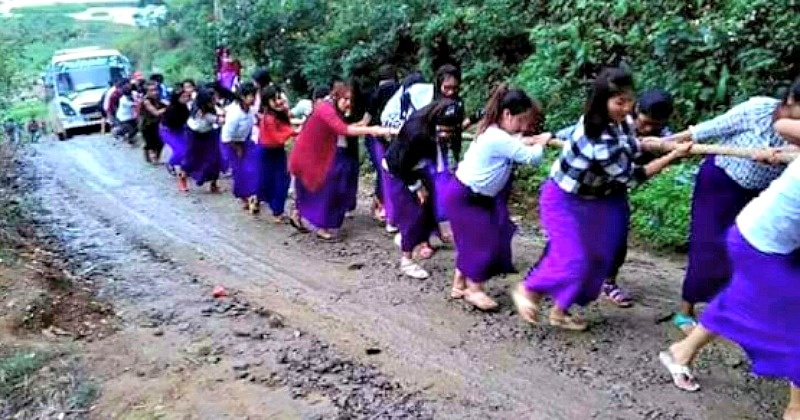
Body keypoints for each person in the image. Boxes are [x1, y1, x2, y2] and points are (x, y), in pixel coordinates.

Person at [513, 67, 692, 331]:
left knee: (599, 257)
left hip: (597, 199)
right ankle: (529, 290)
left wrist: (663, 143)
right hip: (563, 199)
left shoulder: (620, 122)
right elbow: (632, 178)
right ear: (602, 101)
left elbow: (632, 143)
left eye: (630, 100)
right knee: (572, 257)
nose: (626, 107)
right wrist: (671, 157)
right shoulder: (598, 137)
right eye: (620, 102)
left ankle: (560, 310)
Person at [658, 117, 800, 420]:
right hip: (758, 240)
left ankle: (681, 352)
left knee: (741, 297)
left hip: (768, 239)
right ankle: (796, 409)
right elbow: (784, 124)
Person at [658, 79, 800, 334]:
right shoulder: (758, 110)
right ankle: (686, 309)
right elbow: (708, 129)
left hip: (760, 195)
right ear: (791, 100)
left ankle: (721, 314)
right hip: (720, 184)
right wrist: (667, 143)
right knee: (707, 245)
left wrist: (777, 154)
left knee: (739, 253)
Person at [554, 88, 676, 308]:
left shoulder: (665, 136)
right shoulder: (615, 122)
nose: (647, 129)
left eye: (654, 126)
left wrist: (670, 150)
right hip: (590, 189)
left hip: (616, 188)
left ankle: (608, 282)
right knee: (570, 233)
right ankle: (548, 275)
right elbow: (575, 132)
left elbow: (639, 171)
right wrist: (552, 137)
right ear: (636, 110)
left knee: (617, 237)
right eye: (644, 122)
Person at [444, 84, 550, 309]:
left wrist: (526, 139)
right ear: (507, 114)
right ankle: (475, 289)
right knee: (483, 242)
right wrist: (541, 142)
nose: (523, 127)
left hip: (475, 197)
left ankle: (459, 284)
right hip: (465, 196)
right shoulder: (496, 137)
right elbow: (532, 158)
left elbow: (517, 142)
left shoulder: (499, 133)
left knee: (475, 238)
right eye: (521, 121)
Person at [288, 82, 394, 239]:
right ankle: (322, 226)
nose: (348, 104)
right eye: (345, 99)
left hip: (322, 154)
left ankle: (301, 213)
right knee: (328, 189)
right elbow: (342, 129)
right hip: (312, 156)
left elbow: (342, 126)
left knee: (330, 187)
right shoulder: (325, 108)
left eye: (350, 100)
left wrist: (363, 125)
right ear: (336, 96)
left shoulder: (332, 108)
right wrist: (372, 129)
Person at [384, 99, 461, 279]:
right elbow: (399, 165)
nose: (445, 134)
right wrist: (416, 186)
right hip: (400, 172)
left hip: (419, 168)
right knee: (413, 213)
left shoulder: (433, 131)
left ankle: (412, 239)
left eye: (449, 131)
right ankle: (407, 260)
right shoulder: (416, 131)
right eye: (442, 130)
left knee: (428, 207)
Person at [364, 65, 399, 223]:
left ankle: (381, 207)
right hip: (395, 137)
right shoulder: (401, 91)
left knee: (382, 170)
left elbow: (365, 121)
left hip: (375, 137)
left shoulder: (375, 93)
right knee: (391, 171)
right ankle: (385, 207)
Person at [258, 84, 297, 222]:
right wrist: (295, 132)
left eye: (280, 97)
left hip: (278, 151)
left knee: (283, 179)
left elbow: (286, 128)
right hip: (266, 152)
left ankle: (277, 210)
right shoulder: (268, 118)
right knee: (267, 181)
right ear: (267, 102)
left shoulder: (280, 113)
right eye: (275, 99)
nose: (279, 101)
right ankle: (267, 203)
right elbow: (277, 136)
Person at [222, 82, 260, 212]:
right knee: (240, 171)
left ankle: (253, 195)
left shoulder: (251, 110)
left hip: (246, 141)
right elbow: (226, 136)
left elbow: (256, 119)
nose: (253, 99)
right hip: (233, 144)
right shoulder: (234, 114)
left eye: (254, 95)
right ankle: (244, 197)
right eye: (251, 96)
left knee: (253, 168)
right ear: (242, 97)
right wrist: (236, 148)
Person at [183, 88, 224, 193]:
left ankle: (213, 184)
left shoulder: (212, 107)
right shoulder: (200, 111)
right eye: (212, 100)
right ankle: (182, 176)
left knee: (215, 158)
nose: (214, 101)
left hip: (208, 133)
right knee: (192, 158)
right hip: (194, 134)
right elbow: (219, 120)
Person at [160, 87, 192, 183]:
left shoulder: (185, 107)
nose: (186, 98)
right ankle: (171, 163)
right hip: (168, 131)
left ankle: (183, 168)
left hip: (180, 130)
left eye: (187, 96)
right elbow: (171, 123)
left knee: (187, 150)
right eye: (183, 97)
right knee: (180, 150)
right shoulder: (171, 109)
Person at [139, 81, 167, 164]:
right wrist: (168, 108)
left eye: (155, 90)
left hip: (157, 124)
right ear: (147, 92)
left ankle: (157, 157)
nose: (154, 92)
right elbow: (156, 113)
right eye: (151, 90)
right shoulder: (146, 101)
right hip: (147, 125)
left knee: (160, 142)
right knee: (150, 143)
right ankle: (151, 157)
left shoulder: (158, 99)